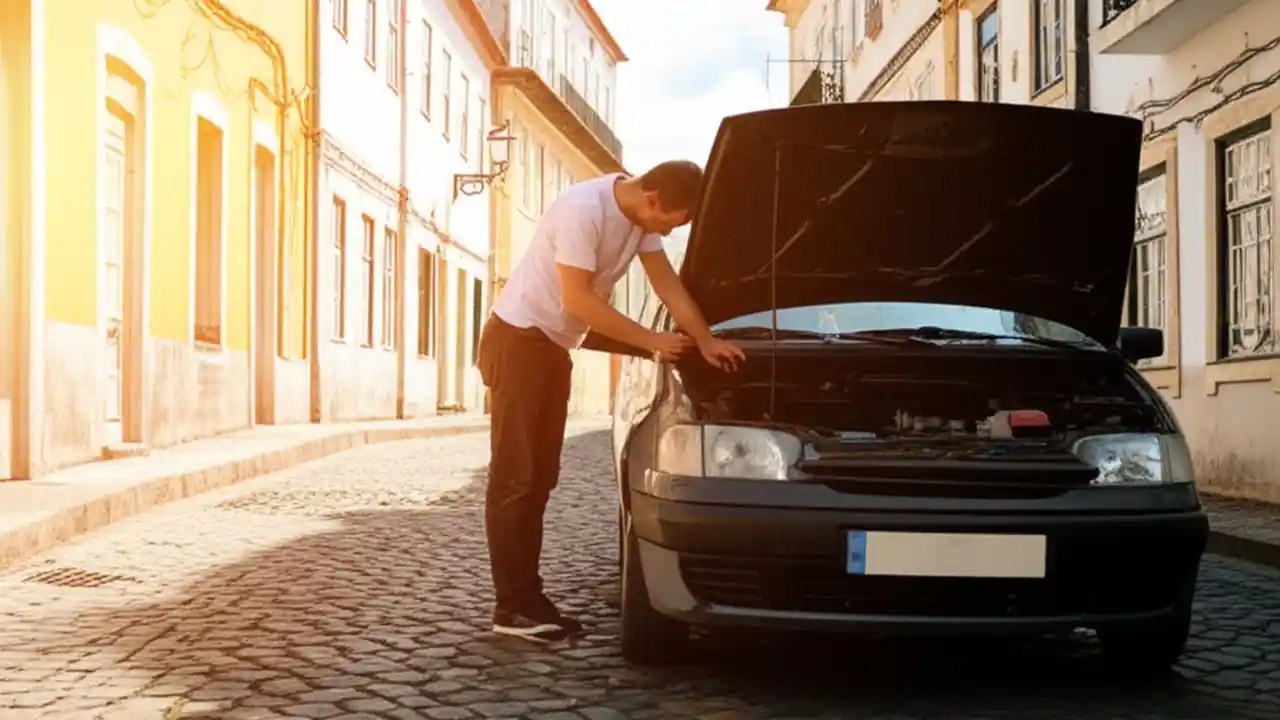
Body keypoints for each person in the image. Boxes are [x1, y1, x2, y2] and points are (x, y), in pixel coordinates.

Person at [476, 160, 746, 643]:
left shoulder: (640, 220)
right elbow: (578, 301)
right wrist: (650, 341)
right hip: (517, 341)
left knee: (540, 480)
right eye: (676, 220)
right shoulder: (584, 209)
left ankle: (527, 598)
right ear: (655, 199)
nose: (675, 229)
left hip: (551, 348)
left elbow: (667, 284)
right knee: (515, 479)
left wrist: (705, 340)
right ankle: (510, 607)